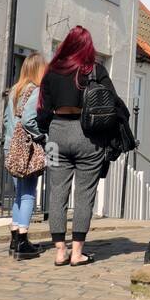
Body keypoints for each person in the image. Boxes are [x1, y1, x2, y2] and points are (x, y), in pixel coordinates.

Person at [36, 26, 118, 267]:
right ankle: (77, 252)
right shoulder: (95, 70)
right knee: (84, 194)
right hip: (88, 135)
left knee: (57, 192)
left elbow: (41, 112)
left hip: (57, 134)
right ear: (88, 47)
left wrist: (49, 131)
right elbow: (111, 103)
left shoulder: (51, 72)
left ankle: (60, 251)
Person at [3, 52, 46, 260]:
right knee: (28, 193)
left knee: (18, 194)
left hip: (10, 148)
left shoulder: (14, 91)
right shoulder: (35, 91)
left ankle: (14, 238)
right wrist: (42, 135)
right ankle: (22, 242)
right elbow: (29, 120)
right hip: (25, 150)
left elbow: (5, 121)